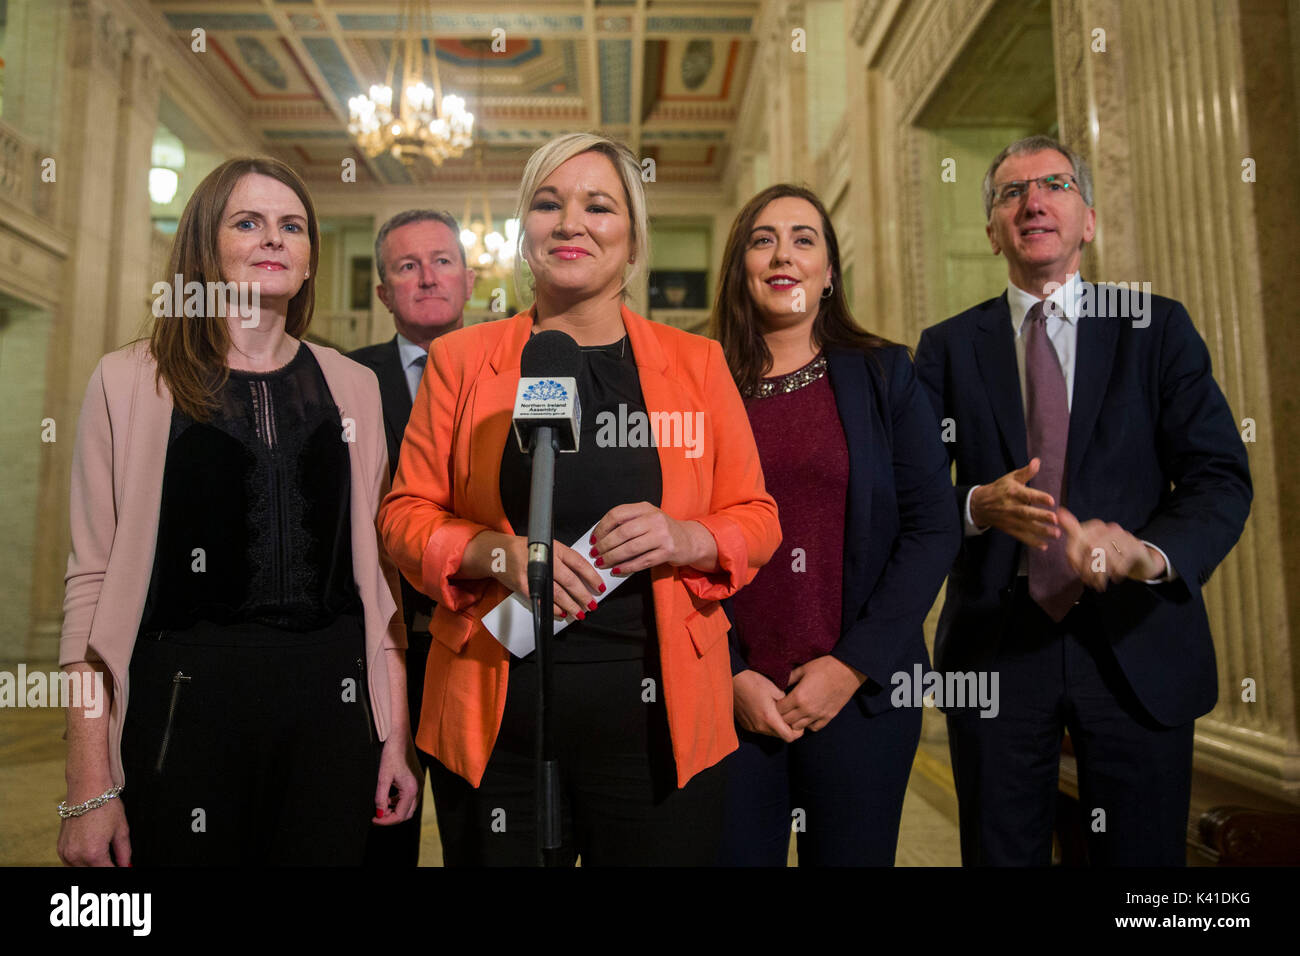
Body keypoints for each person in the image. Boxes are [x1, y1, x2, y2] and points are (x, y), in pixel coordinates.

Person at [378, 132, 781, 866]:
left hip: (657, 722)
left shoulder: (697, 364)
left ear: (632, 243)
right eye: (547, 204)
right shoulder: (461, 360)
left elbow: (756, 518)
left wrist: (685, 537)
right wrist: (495, 552)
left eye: (598, 205)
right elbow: (405, 517)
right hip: (496, 719)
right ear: (524, 234)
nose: (570, 223)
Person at [56, 157, 419, 867]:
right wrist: (89, 784)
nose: (273, 239)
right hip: (182, 705)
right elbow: (89, 587)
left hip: (332, 710)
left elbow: (377, 587)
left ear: (311, 259)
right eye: (247, 222)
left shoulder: (353, 385)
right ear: (204, 246)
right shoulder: (129, 380)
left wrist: (394, 735)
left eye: (292, 226)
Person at [913, 135, 1252, 865]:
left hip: (1138, 648)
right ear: (992, 229)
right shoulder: (945, 347)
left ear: (1088, 219)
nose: (1033, 202)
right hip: (996, 653)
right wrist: (976, 505)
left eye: (1055, 185)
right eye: (1012, 192)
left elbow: (1219, 477)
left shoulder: (1156, 328)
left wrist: (1146, 552)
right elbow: (905, 497)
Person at [711, 184, 960, 865]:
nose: (782, 253)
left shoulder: (884, 373)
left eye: (803, 237)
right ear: (741, 267)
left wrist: (851, 666)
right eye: (763, 239)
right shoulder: (699, 385)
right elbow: (676, 546)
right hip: (730, 698)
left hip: (860, 696)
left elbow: (933, 527)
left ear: (829, 273)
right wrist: (729, 675)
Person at [349, 210, 476, 866]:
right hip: (379, 645)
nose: (428, 277)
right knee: (380, 833)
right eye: (407, 266)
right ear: (383, 294)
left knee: (477, 833)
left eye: (443, 261)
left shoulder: (514, 369)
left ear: (470, 278)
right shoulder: (343, 379)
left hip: (482, 642)